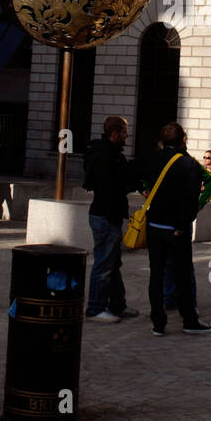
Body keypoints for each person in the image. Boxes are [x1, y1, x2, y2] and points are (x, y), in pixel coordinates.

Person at [136, 123, 211, 335]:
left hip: (154, 225)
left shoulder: (152, 158)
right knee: (183, 275)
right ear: (183, 140)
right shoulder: (189, 164)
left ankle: (158, 323)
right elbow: (191, 199)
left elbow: (134, 174)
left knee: (156, 274)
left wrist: (144, 190)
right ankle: (189, 320)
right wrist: (183, 224)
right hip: (176, 228)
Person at [82, 116, 141, 323]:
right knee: (104, 263)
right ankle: (95, 308)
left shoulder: (106, 152)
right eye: (124, 132)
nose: (127, 136)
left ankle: (117, 304)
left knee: (112, 262)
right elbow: (113, 183)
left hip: (106, 214)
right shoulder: (107, 155)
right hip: (106, 215)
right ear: (115, 133)